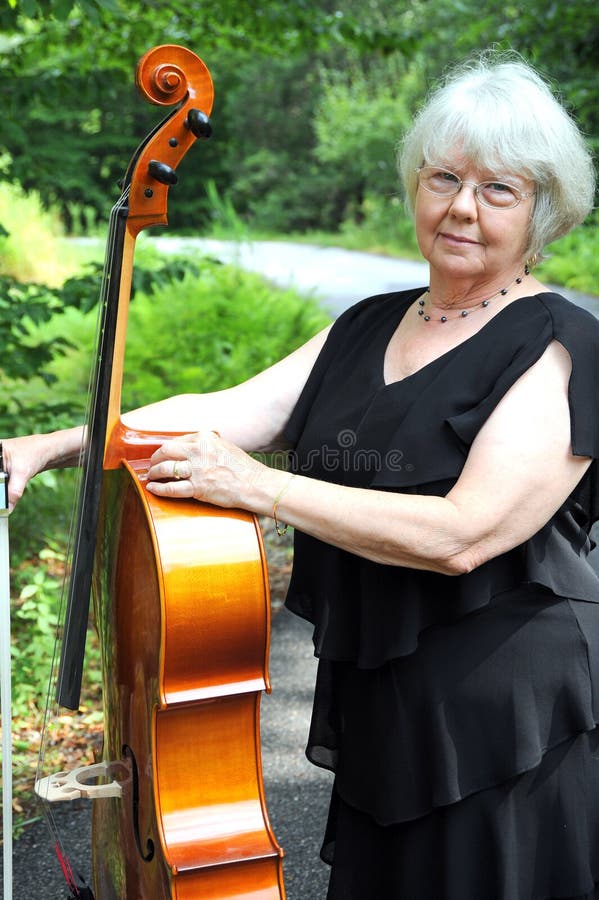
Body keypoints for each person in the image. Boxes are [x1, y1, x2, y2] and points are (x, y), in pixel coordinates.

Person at [4, 49, 599, 898]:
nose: (461, 207)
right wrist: (51, 444)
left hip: (507, 711)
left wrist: (259, 488)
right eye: (442, 178)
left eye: (498, 189)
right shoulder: (367, 324)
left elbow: (462, 535)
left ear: (544, 210)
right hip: (385, 693)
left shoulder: (558, 345)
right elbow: (219, 411)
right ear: (412, 186)